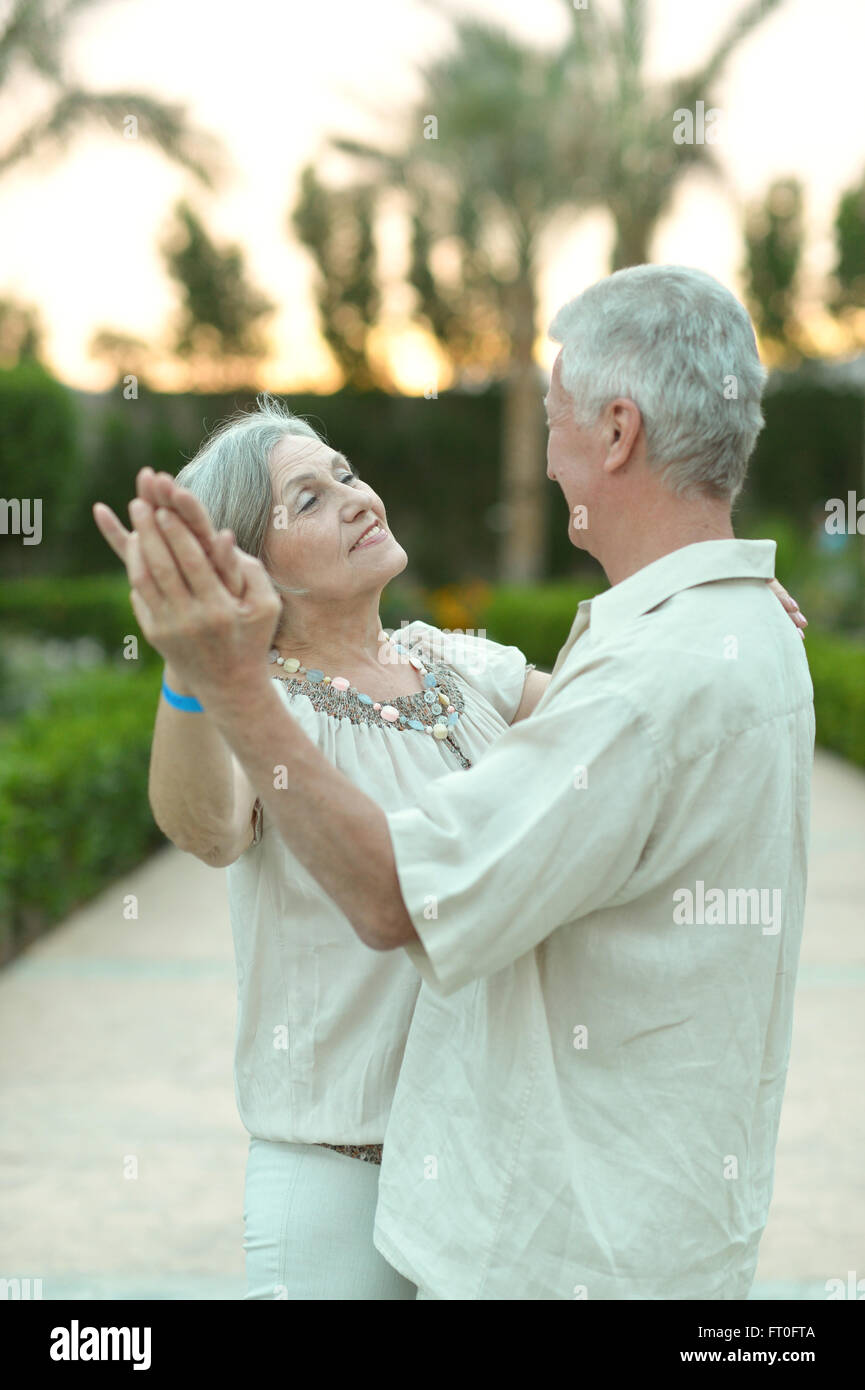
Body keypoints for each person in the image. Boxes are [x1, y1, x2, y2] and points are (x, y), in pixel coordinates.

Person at [97, 264, 814, 1300]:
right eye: (307, 496)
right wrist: (199, 663)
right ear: (246, 565)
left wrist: (701, 595)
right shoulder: (261, 708)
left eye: (343, 470)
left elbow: (615, 737)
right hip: (342, 1176)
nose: (351, 496)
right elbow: (202, 826)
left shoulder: (455, 664)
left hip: (474, 1172)